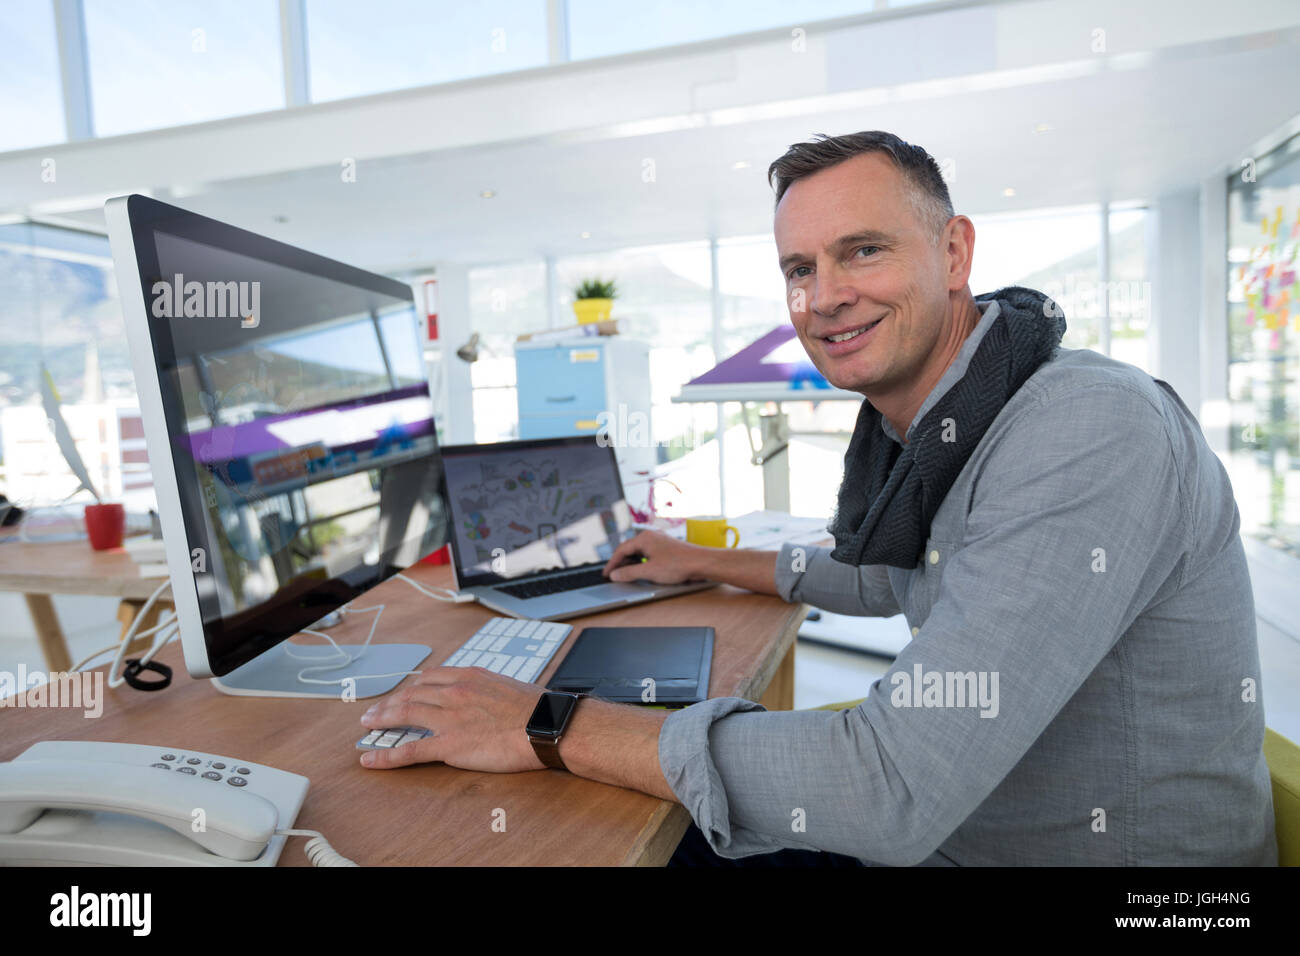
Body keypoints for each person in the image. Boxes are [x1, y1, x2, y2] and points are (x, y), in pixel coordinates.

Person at [358, 130, 1277, 866]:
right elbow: (885, 578)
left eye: (862, 251)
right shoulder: (950, 419)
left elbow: (891, 789)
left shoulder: (1084, 430)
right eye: (800, 269)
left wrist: (540, 719)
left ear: (954, 251)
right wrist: (700, 559)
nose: (825, 296)